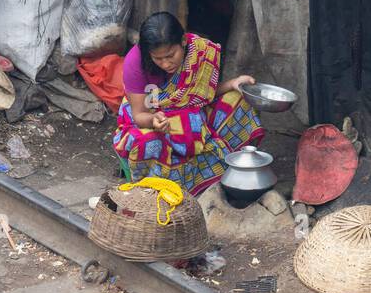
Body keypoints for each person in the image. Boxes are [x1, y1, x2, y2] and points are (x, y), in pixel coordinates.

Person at [112, 12, 263, 195]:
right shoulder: (135, 62)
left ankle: (235, 173)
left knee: (240, 100)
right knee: (145, 141)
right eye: (158, 59)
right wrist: (153, 120)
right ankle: (158, 192)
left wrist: (233, 83)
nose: (166, 64)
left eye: (170, 55)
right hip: (153, 118)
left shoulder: (198, 51)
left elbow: (203, 94)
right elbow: (139, 115)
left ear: (183, 41)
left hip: (192, 116)